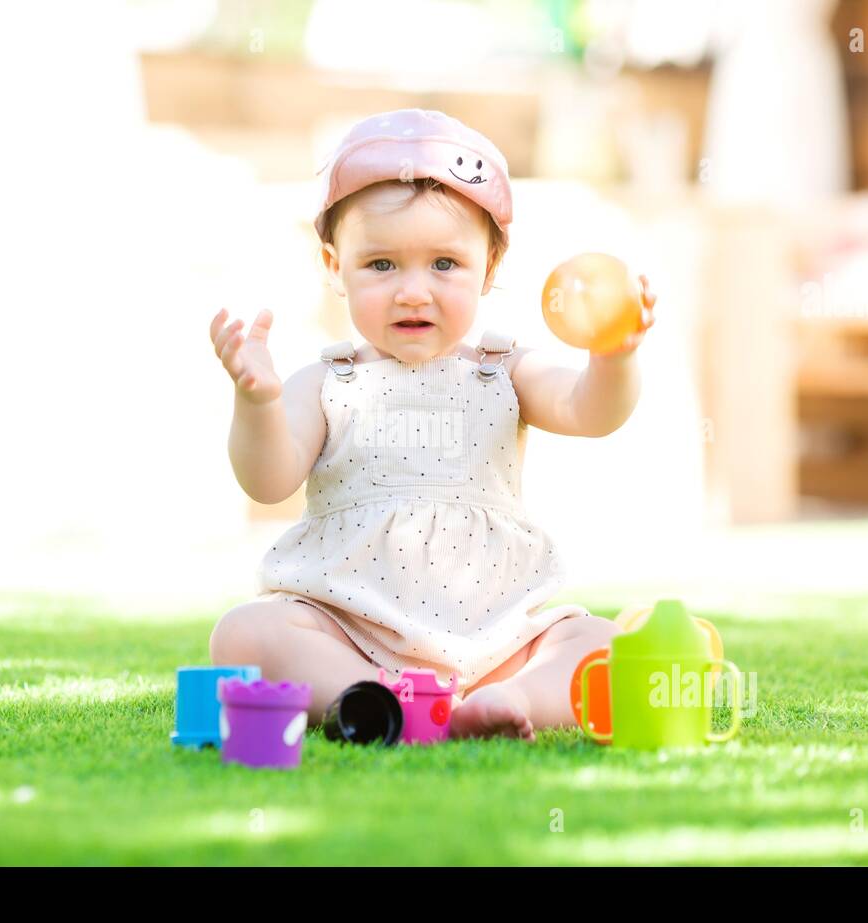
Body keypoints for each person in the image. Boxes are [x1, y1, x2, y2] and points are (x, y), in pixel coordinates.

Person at [208, 108, 655, 741]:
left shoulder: (505, 372)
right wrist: (255, 402)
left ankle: (509, 699)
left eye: (444, 264)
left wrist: (614, 355)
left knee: (597, 641)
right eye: (382, 265)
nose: (413, 291)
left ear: (490, 269)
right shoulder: (326, 382)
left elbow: (591, 411)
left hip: (496, 635)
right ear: (335, 267)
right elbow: (267, 479)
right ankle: (378, 701)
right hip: (353, 630)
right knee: (245, 633)